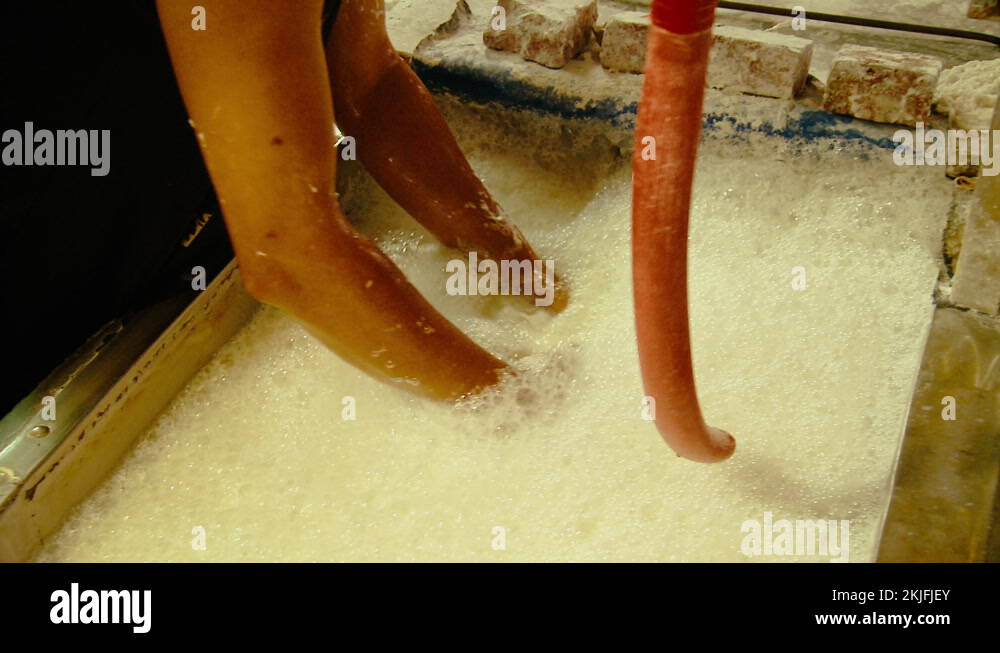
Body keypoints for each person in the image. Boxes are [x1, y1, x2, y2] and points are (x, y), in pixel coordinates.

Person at [156, 0, 567, 402]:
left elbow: (370, 85)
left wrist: (529, 279)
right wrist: (514, 407)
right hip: (127, 278)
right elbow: (287, 256)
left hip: (233, 213)